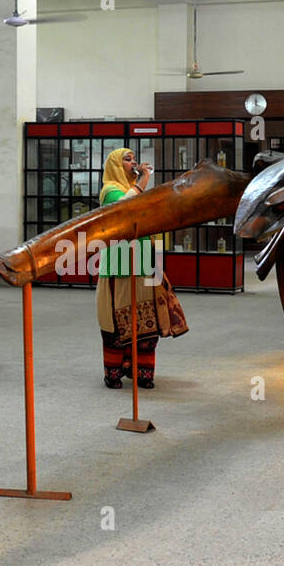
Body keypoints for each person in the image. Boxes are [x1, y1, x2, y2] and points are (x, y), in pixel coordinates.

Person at [95, 147, 188, 389]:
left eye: (134, 159)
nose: (133, 163)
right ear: (115, 165)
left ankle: (142, 372)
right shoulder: (110, 190)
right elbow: (125, 208)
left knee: (149, 317)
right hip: (119, 263)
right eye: (127, 160)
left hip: (144, 259)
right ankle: (113, 372)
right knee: (116, 319)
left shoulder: (135, 189)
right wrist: (144, 180)